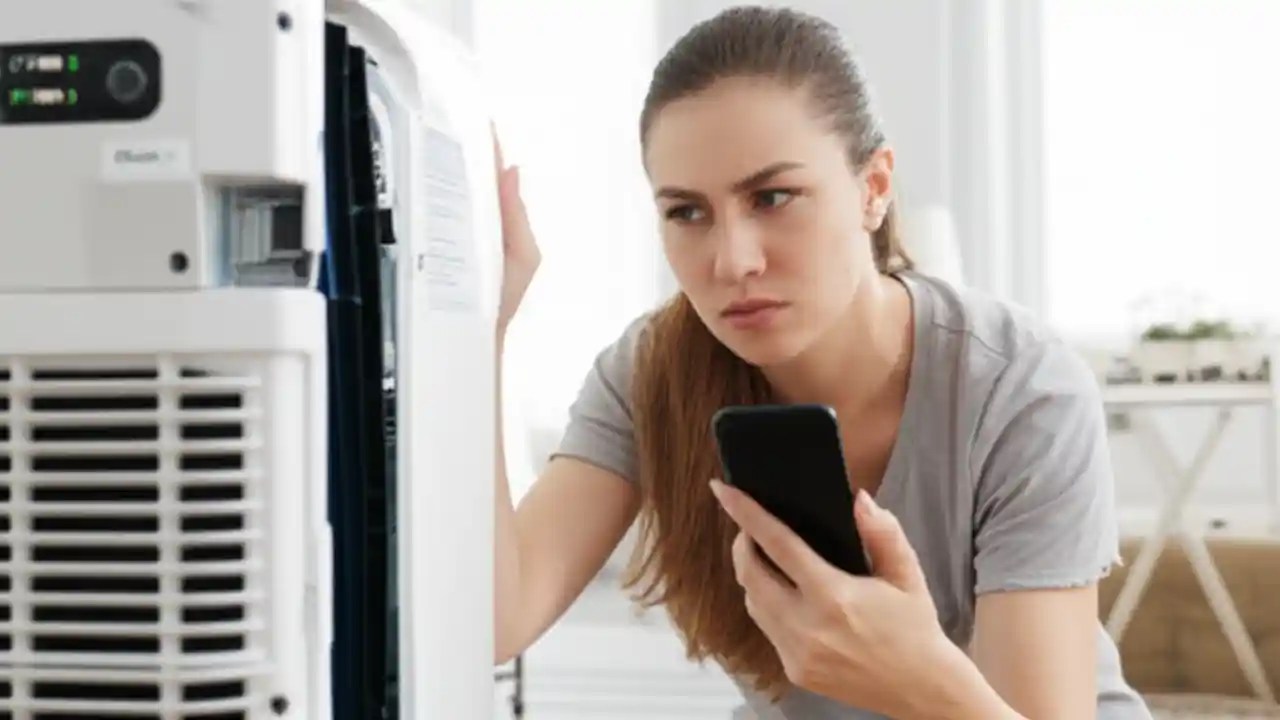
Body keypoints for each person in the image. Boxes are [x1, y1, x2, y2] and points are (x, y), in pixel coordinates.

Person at [492, 6, 1153, 719]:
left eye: (773, 198)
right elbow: (499, 618)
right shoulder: (648, 375)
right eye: (687, 212)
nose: (733, 260)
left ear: (873, 188)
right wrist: (479, 329)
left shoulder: (1021, 390)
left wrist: (916, 674)